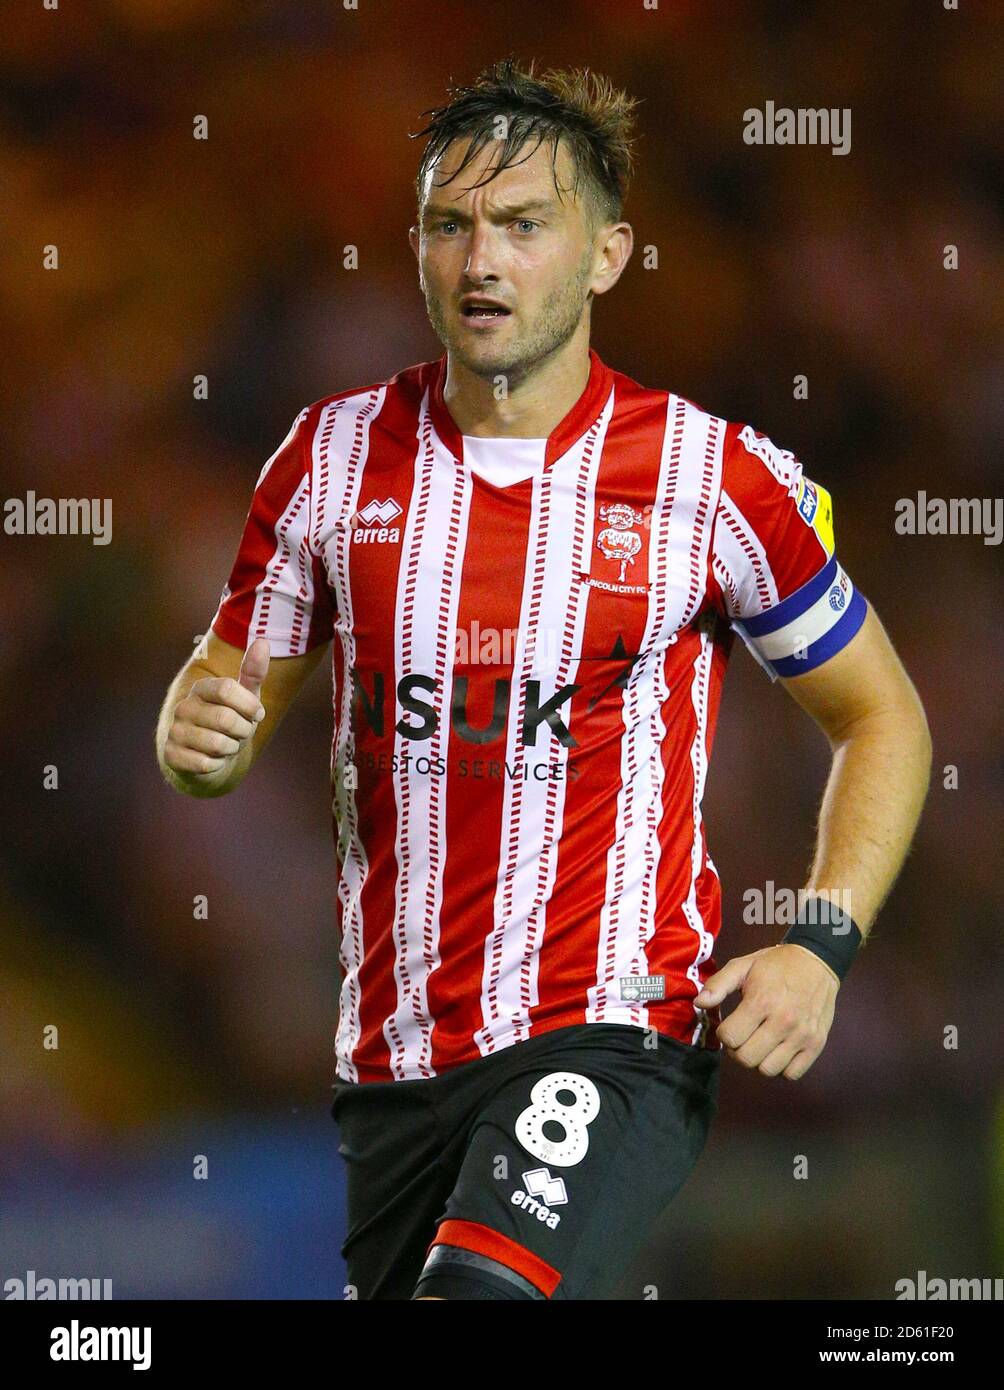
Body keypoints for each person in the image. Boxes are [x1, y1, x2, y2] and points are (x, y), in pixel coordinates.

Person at [155, 58, 932, 1300]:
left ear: (607, 254)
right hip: (391, 1063)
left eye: (523, 225)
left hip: (612, 1030)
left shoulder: (710, 481)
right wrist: (191, 738)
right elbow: (221, 713)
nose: (481, 261)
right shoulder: (328, 457)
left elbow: (878, 715)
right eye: (450, 224)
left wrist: (819, 941)